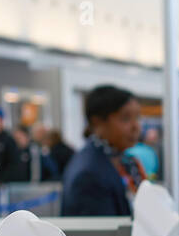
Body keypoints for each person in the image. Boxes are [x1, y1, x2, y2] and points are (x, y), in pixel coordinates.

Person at [61, 85, 143, 217]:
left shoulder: (124, 162)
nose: (136, 126)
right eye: (126, 118)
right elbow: (99, 235)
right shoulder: (89, 174)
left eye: (137, 117)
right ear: (98, 122)